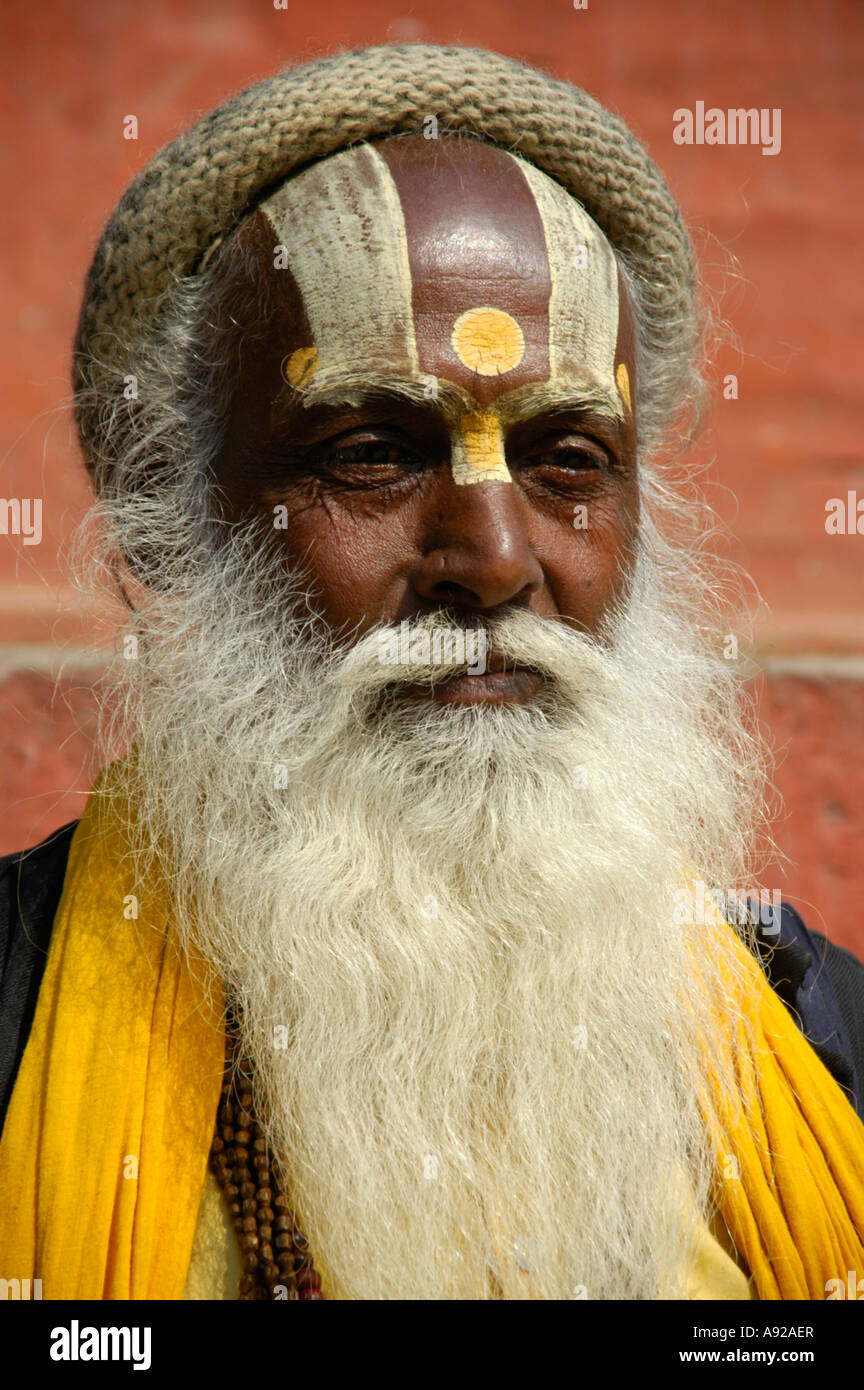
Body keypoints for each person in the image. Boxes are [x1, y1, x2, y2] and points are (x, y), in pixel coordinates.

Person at [1, 42, 862, 1302]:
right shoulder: (21, 1008)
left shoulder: (814, 1032)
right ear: (169, 524)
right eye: (369, 452)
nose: (496, 559)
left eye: (568, 457)